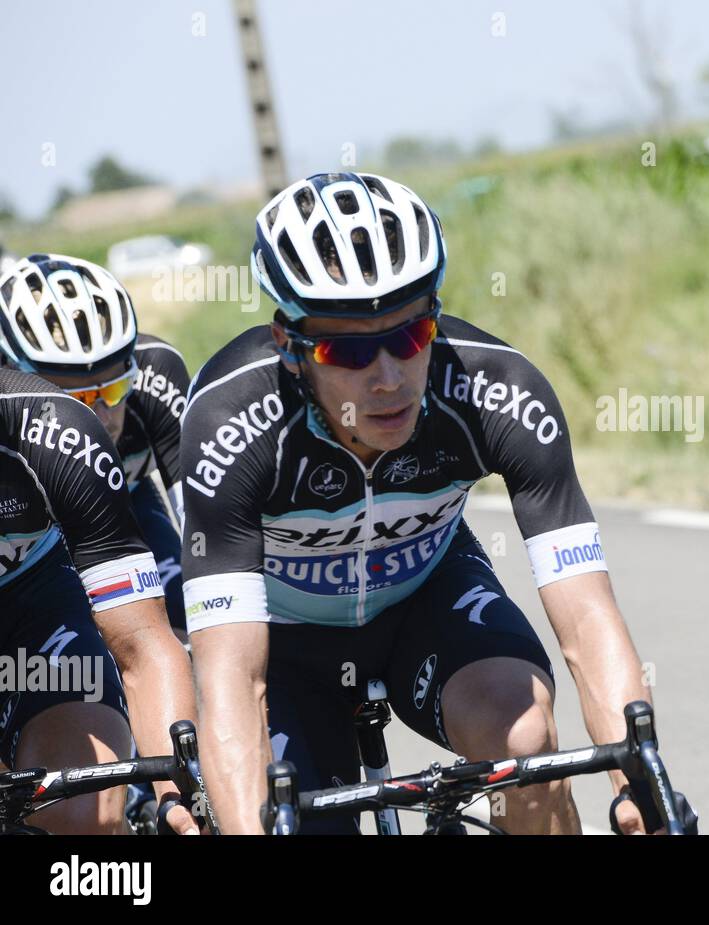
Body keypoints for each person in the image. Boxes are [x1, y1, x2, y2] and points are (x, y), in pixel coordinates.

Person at [182, 171, 654, 834]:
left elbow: (587, 619)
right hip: (282, 646)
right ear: (289, 346)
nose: (389, 377)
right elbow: (232, 675)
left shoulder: (497, 390)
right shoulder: (230, 425)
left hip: (425, 604)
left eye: (410, 334)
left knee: (524, 744)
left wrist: (639, 786)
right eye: (346, 348)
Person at [0, 258, 198, 833]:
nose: (102, 412)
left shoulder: (61, 428)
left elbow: (145, 635)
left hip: (58, 562)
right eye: (78, 393)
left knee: (88, 813)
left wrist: (179, 784)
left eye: (112, 389)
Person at [0, 254, 190, 637]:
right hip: (37, 535)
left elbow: (200, 520)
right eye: (78, 401)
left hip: (128, 506)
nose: (102, 418)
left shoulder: (157, 372)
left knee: (179, 620)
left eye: (115, 389)